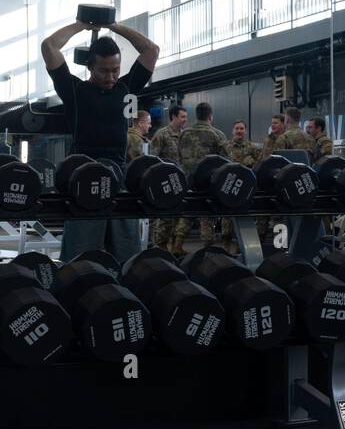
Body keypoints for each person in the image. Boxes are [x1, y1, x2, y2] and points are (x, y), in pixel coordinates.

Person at [40, 18, 159, 263]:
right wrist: (82, 25)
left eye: (115, 69)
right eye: (103, 70)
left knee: (127, 260)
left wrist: (113, 26)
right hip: (82, 182)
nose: (111, 76)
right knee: (79, 261)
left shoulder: (125, 89)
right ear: (89, 67)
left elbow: (151, 50)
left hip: (118, 179)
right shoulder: (74, 90)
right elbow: (49, 46)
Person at [179, 102, 228, 253]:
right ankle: (208, 247)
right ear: (210, 116)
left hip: (187, 179)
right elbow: (226, 160)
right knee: (207, 212)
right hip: (207, 181)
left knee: (187, 211)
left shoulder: (184, 133)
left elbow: (179, 155)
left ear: (197, 115)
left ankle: (177, 243)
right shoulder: (217, 134)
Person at [149, 104, 187, 255]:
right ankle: (161, 249)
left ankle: (176, 248)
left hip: (181, 182)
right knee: (165, 219)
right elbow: (153, 158)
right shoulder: (162, 134)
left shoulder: (185, 135)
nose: (185, 120)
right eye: (182, 117)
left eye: (186, 117)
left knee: (179, 217)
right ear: (173, 117)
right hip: (165, 182)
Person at [221, 119, 261, 255]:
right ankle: (226, 249)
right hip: (227, 186)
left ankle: (241, 249)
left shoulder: (252, 147)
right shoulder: (225, 147)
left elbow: (259, 166)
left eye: (241, 128)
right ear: (233, 130)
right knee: (227, 221)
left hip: (245, 188)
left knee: (243, 219)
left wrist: (251, 163)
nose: (239, 131)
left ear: (245, 131)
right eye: (237, 128)